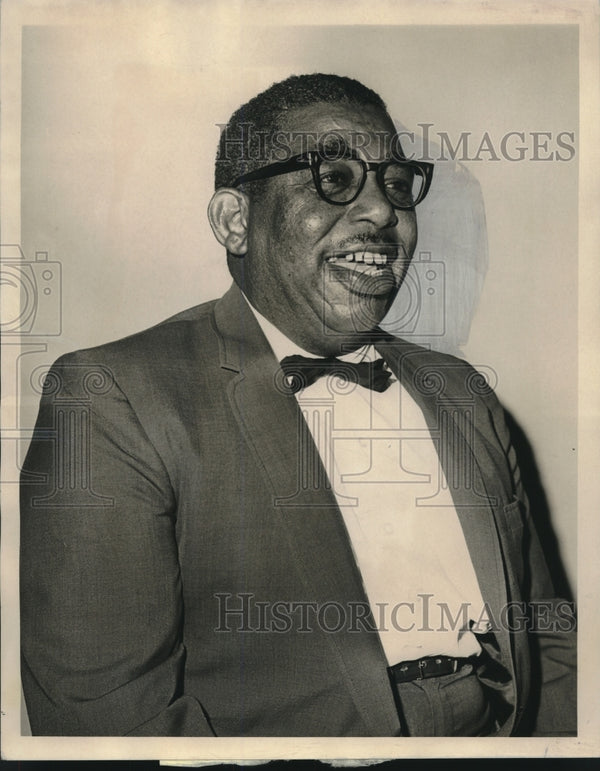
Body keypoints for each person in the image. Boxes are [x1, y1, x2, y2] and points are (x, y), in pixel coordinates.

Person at [20, 73, 576, 737]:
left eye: (396, 184)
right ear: (235, 220)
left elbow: (547, 636)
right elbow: (106, 716)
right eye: (335, 177)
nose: (381, 211)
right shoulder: (112, 396)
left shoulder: (463, 391)